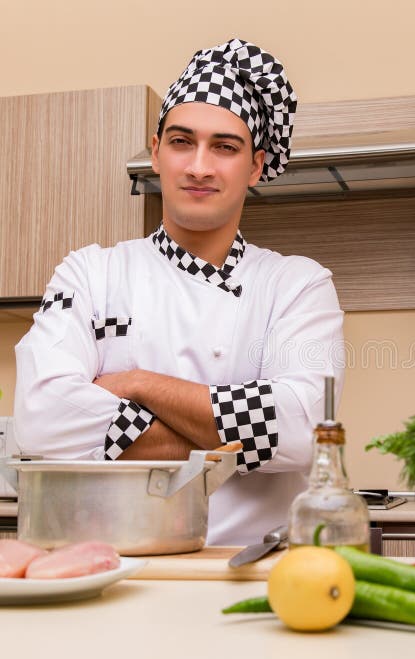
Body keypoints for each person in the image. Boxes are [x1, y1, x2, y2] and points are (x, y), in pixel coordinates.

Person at [13, 39, 344, 546]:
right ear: (156, 150)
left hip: (253, 566)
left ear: (255, 166)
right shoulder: (90, 273)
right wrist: (232, 442)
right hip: (117, 564)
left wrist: (140, 383)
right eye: (182, 141)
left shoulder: (298, 285)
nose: (199, 167)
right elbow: (42, 421)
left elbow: (301, 432)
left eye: (225, 147)